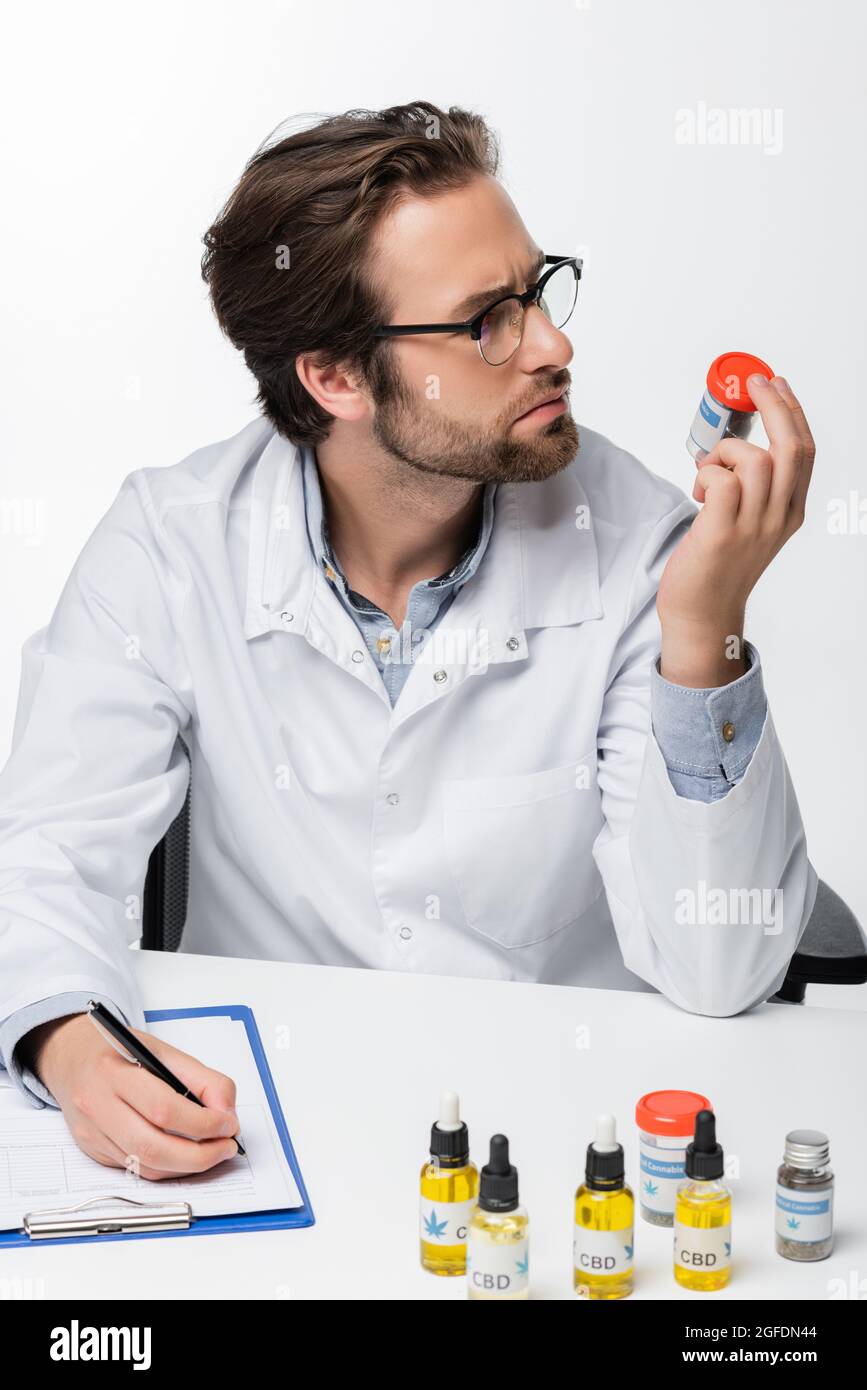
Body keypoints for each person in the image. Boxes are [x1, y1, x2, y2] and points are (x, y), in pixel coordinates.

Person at [0, 102, 817, 1181]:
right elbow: (48, 854)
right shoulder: (170, 545)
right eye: (488, 320)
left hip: (565, 1134)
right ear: (335, 377)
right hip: (276, 1128)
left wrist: (704, 631)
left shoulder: (636, 545)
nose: (555, 345)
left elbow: (721, 967)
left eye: (539, 290)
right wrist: (69, 1044)